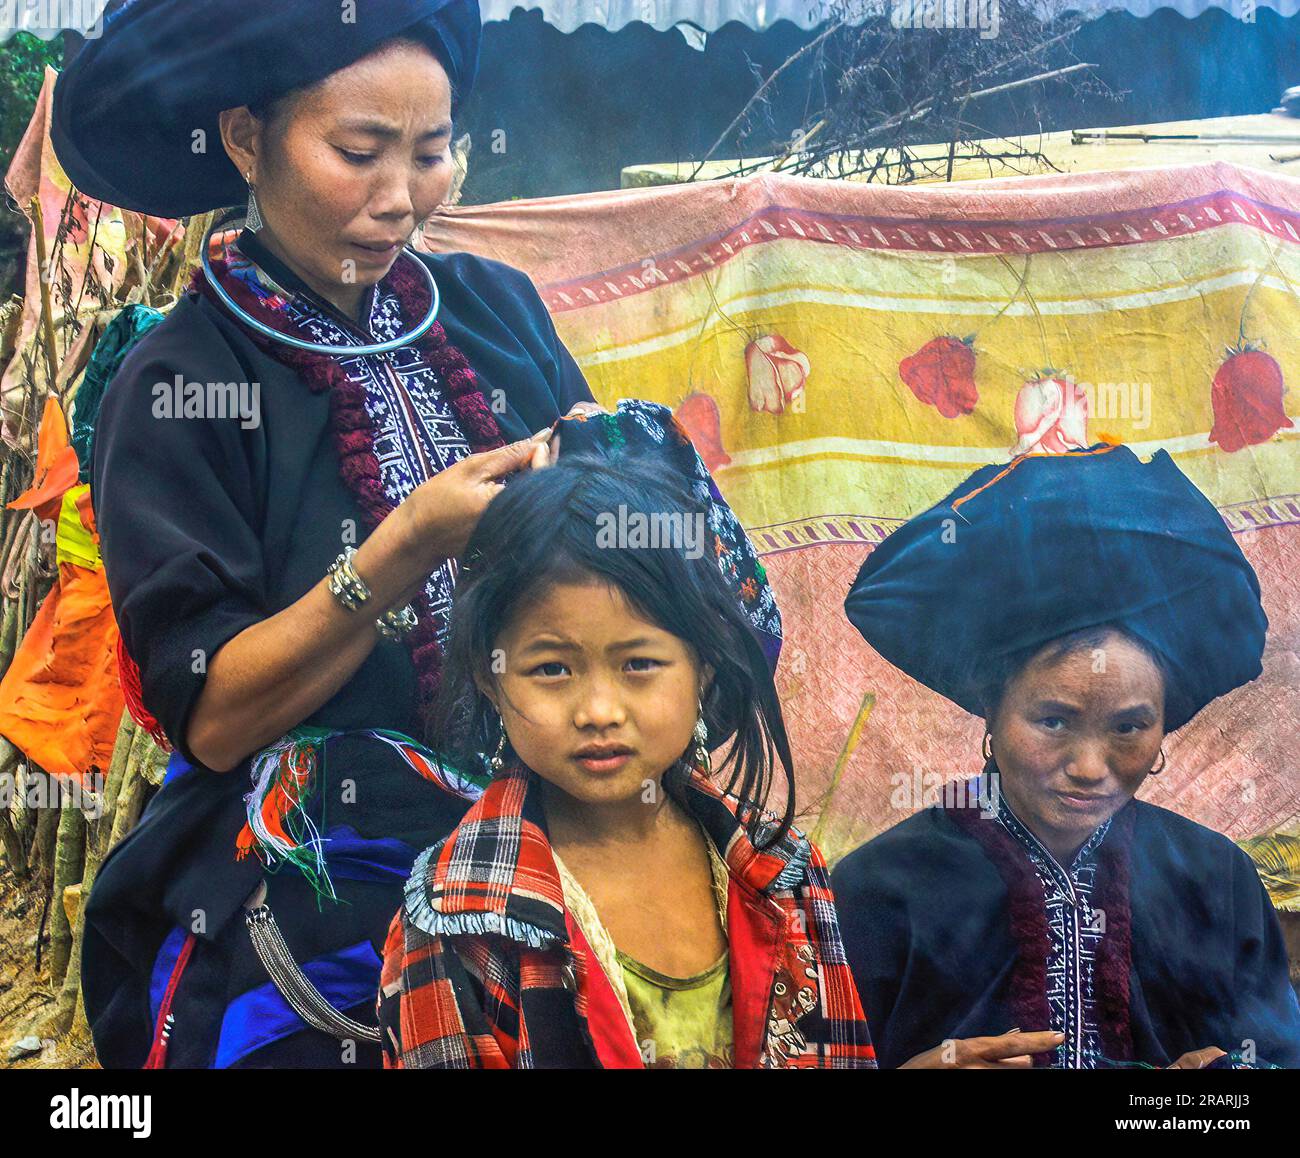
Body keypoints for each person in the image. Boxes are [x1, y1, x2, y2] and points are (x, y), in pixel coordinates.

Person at [52, 0, 603, 1068]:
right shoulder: (178, 383)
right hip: (313, 881)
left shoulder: (496, 309)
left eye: (433, 153)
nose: (402, 199)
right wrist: (402, 550)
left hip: (558, 821)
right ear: (247, 138)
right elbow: (213, 718)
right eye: (358, 152)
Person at [377, 455, 875, 1068]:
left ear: (704, 666)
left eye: (638, 663)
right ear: (490, 676)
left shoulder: (782, 870)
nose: (598, 710)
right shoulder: (460, 917)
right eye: (552, 669)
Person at [833, 443, 1300, 1070]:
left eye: (1129, 727)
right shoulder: (875, 890)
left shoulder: (1220, 883)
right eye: (1053, 720)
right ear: (991, 712)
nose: (1088, 766)